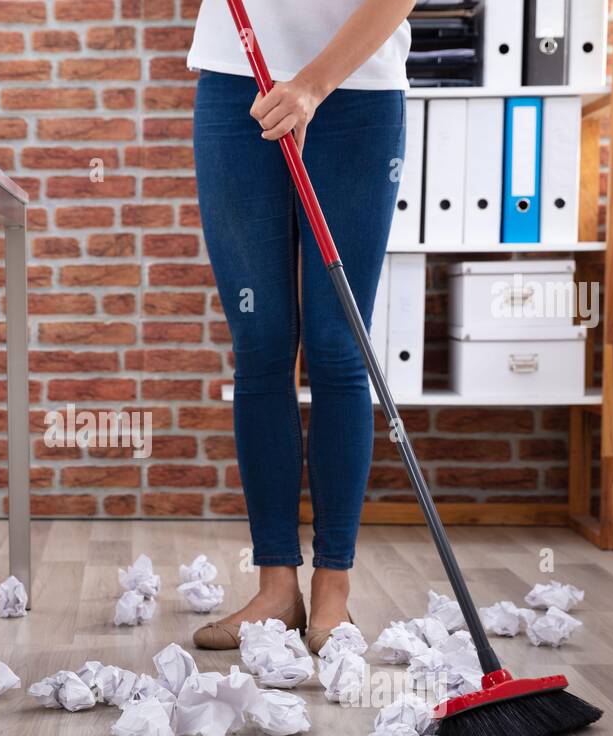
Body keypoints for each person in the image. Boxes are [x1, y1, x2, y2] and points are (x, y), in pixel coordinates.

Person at [186, 0, 415, 653]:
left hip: (356, 91)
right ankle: (276, 586)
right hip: (239, 83)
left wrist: (314, 85)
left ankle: (332, 593)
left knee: (338, 347)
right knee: (260, 347)